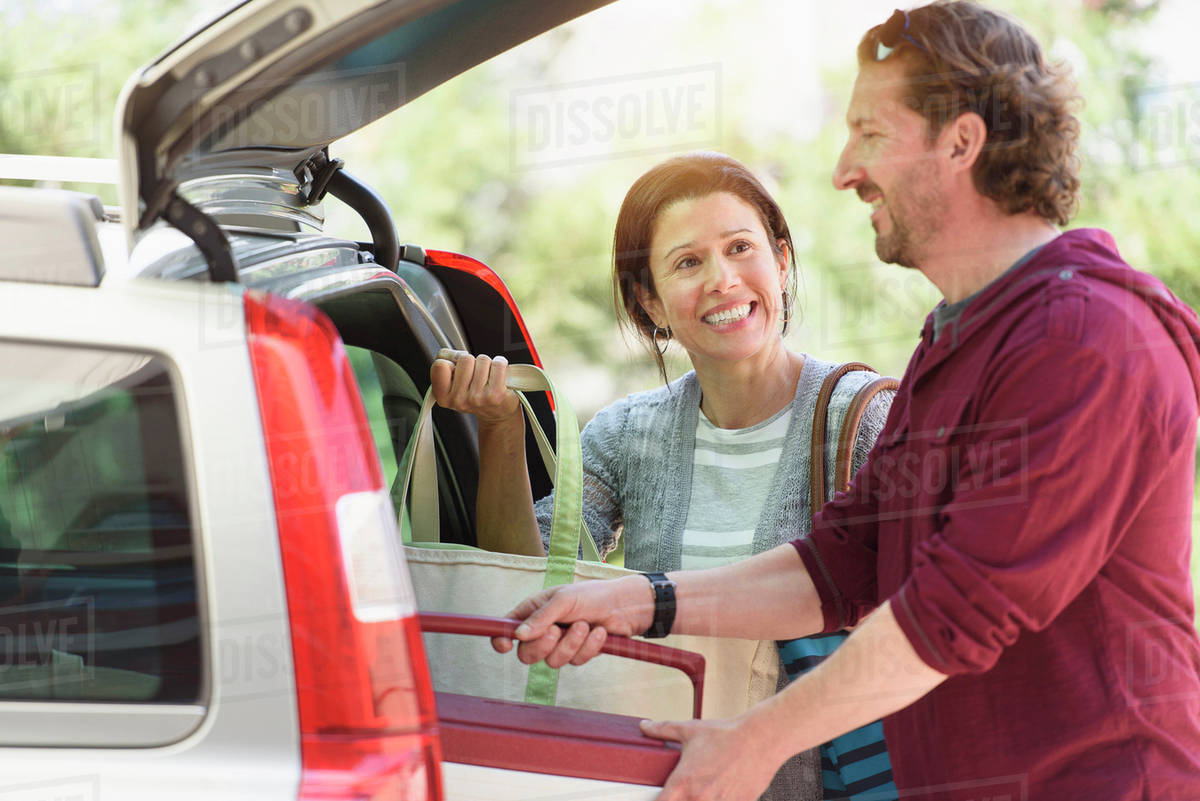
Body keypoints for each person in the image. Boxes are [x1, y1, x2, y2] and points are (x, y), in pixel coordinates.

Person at [490, 3, 1200, 801]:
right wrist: (639, 598)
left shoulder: (1084, 338)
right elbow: (844, 561)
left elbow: (951, 612)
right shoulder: (957, 338)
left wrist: (753, 741)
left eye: (870, 132)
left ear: (960, 142)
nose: (843, 169)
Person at [431, 151, 897, 800]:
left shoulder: (869, 418)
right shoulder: (627, 434)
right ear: (650, 301)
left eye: (741, 247)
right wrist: (504, 429)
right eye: (687, 262)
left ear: (782, 261)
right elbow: (536, 580)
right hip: (668, 783)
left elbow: (934, 623)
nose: (723, 279)